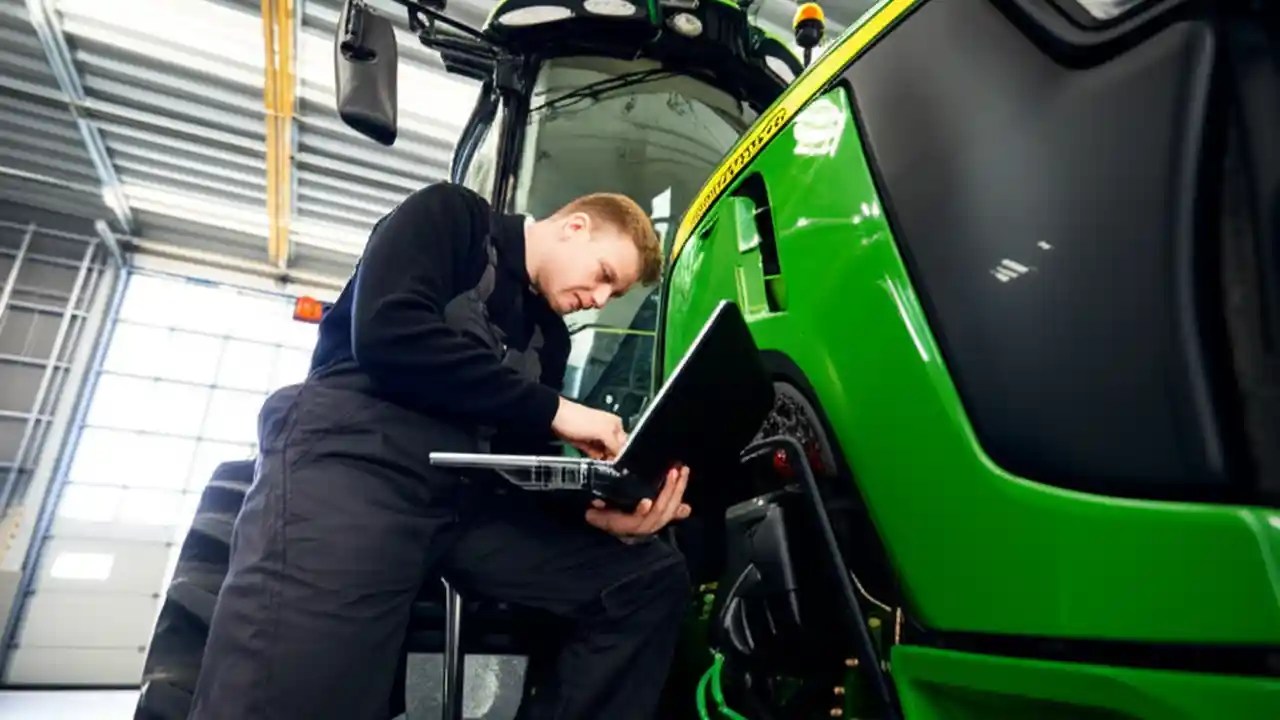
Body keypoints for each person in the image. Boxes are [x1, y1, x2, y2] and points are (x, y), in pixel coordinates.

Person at [190, 182, 692, 720]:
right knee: (297, 694)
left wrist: (602, 514)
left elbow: (518, 461)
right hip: (358, 458)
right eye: (604, 277)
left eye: (612, 298)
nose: (597, 300)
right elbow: (388, 331)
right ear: (576, 227)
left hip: (464, 499)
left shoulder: (551, 338)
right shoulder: (453, 218)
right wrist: (558, 410)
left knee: (646, 579)